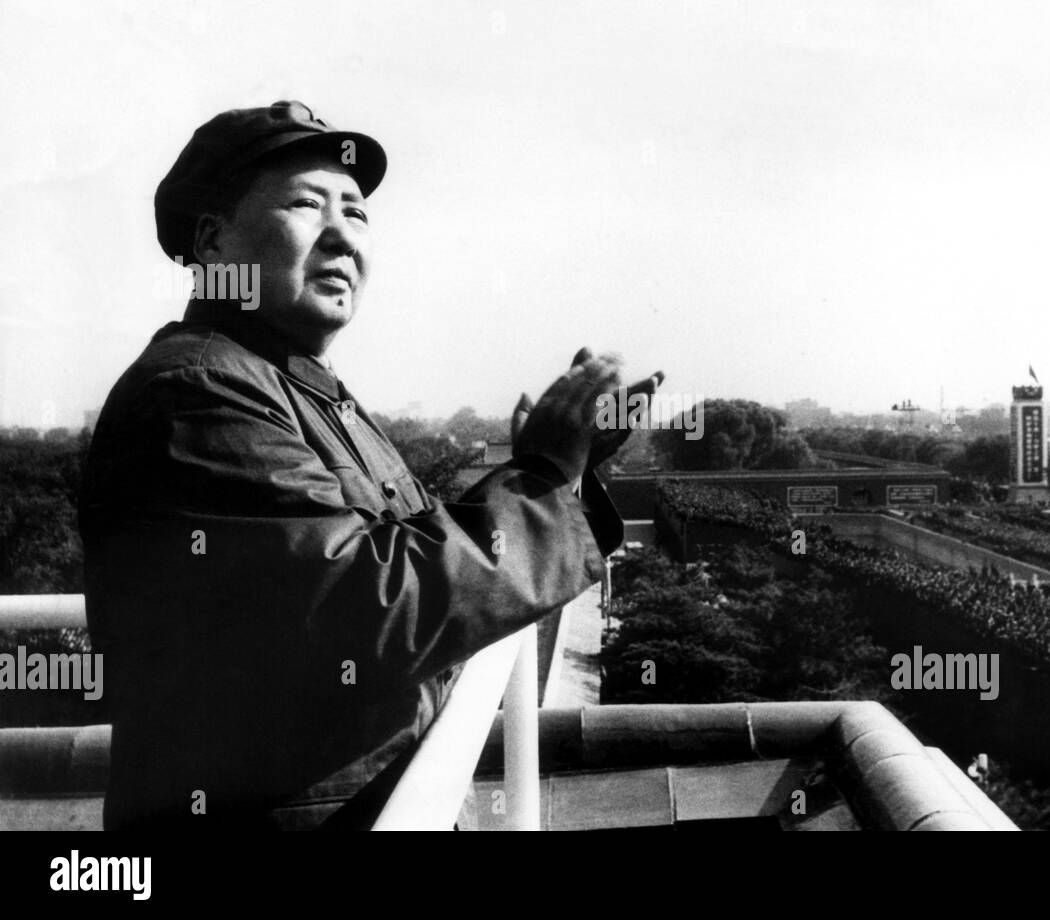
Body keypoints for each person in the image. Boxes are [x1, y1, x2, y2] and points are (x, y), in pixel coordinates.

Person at [79, 101, 653, 829]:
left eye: (356, 212)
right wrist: (539, 472)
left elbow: (406, 556)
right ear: (213, 243)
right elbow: (370, 607)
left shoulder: (294, 388)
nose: (341, 235)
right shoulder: (196, 391)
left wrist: (566, 471)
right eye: (305, 204)